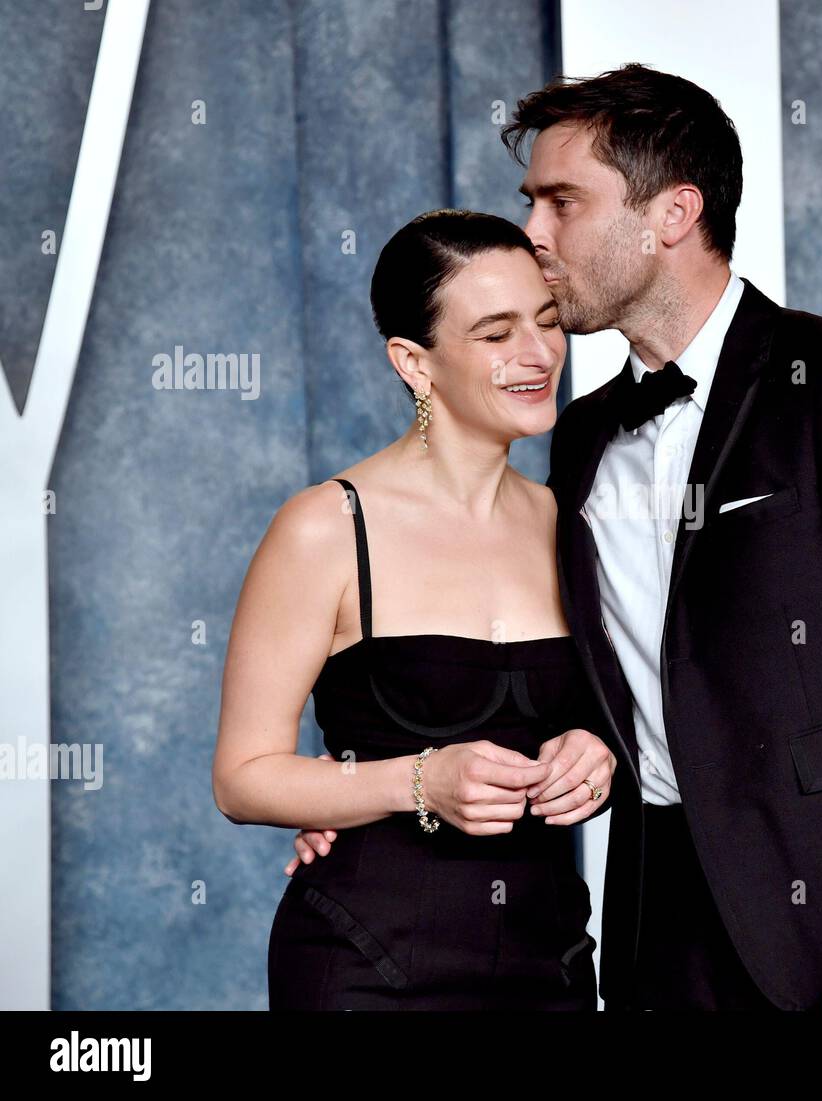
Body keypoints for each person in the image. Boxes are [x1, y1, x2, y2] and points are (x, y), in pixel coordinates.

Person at [294, 63, 822, 1012]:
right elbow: (598, 667)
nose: (533, 235)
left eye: (562, 203)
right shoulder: (581, 435)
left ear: (672, 213)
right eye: (531, 204)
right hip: (646, 933)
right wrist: (351, 795)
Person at [212, 209, 620, 1010]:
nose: (537, 355)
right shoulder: (325, 527)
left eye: (546, 321)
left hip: (552, 963)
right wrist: (420, 781)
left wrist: (596, 751)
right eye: (496, 333)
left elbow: (630, 707)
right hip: (365, 963)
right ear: (413, 362)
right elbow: (243, 778)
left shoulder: (573, 520)